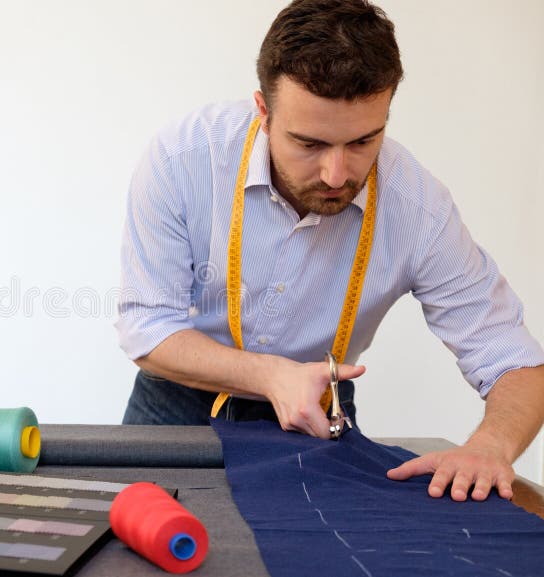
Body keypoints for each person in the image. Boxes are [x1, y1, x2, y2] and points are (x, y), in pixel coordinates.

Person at [114, 0, 544, 502]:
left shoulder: (420, 209)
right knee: (135, 537)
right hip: (175, 402)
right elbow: (147, 325)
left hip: (320, 413)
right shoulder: (183, 159)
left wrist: (491, 446)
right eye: (310, 144)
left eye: (363, 141)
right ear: (263, 112)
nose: (336, 175)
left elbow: (514, 360)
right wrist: (271, 375)